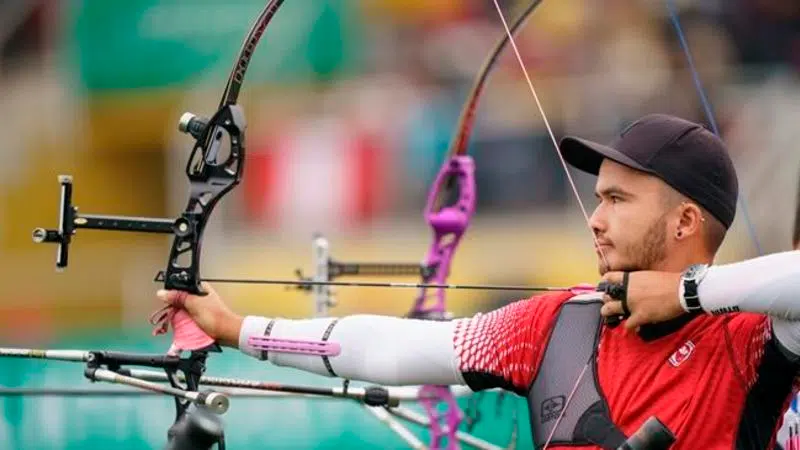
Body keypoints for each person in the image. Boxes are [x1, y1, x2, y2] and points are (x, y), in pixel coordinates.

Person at [157, 114, 798, 449]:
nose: (596, 220)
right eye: (596, 199)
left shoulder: (752, 339)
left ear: (686, 219)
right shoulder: (558, 325)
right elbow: (391, 348)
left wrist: (683, 292)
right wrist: (236, 328)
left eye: (619, 200)